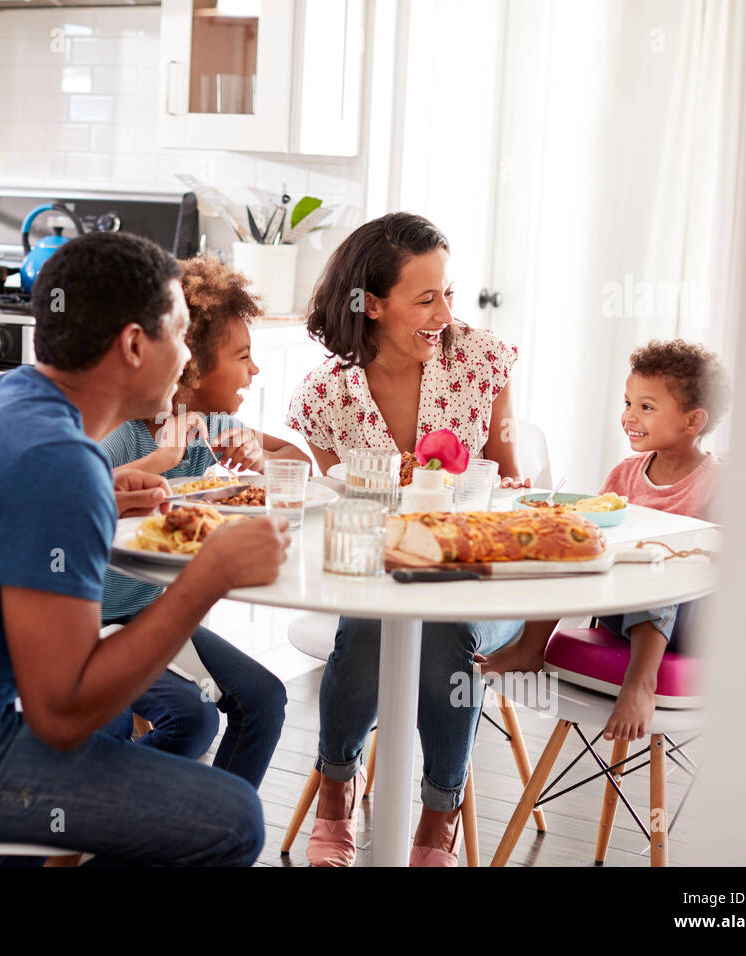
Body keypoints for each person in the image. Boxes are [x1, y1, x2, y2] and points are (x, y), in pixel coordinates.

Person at [0, 231, 290, 866]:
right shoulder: (57, 463)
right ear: (133, 345)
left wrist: (98, 488)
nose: (188, 356)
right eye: (180, 334)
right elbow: (63, 713)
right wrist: (204, 579)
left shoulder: (5, 402)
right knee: (233, 821)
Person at [285, 212, 530, 867]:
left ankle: (436, 815)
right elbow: (339, 513)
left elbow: (509, 481)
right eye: (425, 298)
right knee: (373, 621)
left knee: (443, 626)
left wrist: (502, 487)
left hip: (479, 580)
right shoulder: (325, 397)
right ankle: (337, 791)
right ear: (370, 305)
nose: (444, 313)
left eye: (449, 293)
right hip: (378, 578)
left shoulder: (480, 360)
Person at [98, 256, 308, 787]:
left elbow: (300, 466)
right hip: (95, 623)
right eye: (242, 356)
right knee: (187, 719)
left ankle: (207, 831)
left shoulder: (213, 423)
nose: (254, 370)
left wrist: (261, 455)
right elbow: (81, 493)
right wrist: (161, 461)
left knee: (264, 698)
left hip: (155, 615)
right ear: (190, 364)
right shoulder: (127, 432)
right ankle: (141, 813)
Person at [478, 339, 730, 741]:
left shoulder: (719, 481)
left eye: (646, 407)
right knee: (569, 541)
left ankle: (642, 682)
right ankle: (530, 646)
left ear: (692, 421)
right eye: (627, 403)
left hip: (688, 620)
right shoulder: (625, 474)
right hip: (621, 610)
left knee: (656, 562)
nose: (629, 416)